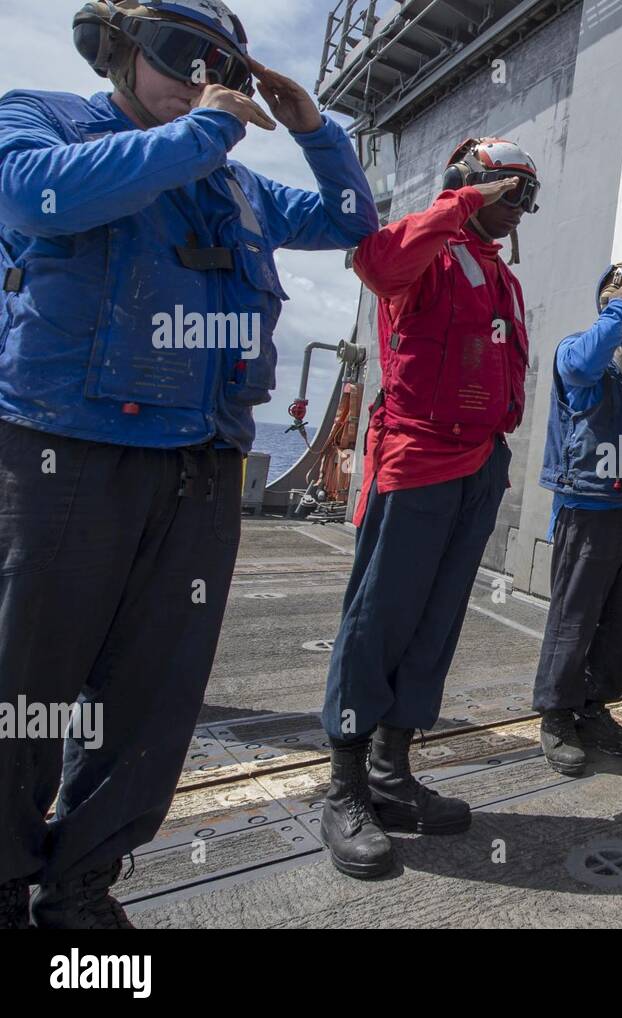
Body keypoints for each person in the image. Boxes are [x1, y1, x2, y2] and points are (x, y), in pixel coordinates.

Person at [0, 0, 378, 928]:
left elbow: (350, 218)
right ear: (120, 52)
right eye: (182, 57)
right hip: (67, 456)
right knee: (27, 690)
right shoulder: (42, 118)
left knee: (151, 698)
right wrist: (212, 125)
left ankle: (83, 886)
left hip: (200, 469)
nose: (205, 82)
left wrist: (312, 127)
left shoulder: (237, 188)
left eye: (224, 68)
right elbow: (32, 195)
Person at [320, 137, 537, 879]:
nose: (512, 210)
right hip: (417, 458)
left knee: (435, 623)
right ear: (464, 186)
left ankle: (390, 774)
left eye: (522, 199)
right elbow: (375, 264)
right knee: (379, 616)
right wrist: (460, 202)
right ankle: (345, 788)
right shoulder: (425, 255)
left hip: (479, 463)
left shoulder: (500, 277)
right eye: (503, 193)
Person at [533, 261, 622, 775]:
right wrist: (619, 307)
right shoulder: (582, 348)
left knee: (619, 622)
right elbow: (580, 370)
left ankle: (594, 710)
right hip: (590, 509)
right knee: (574, 619)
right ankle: (555, 717)